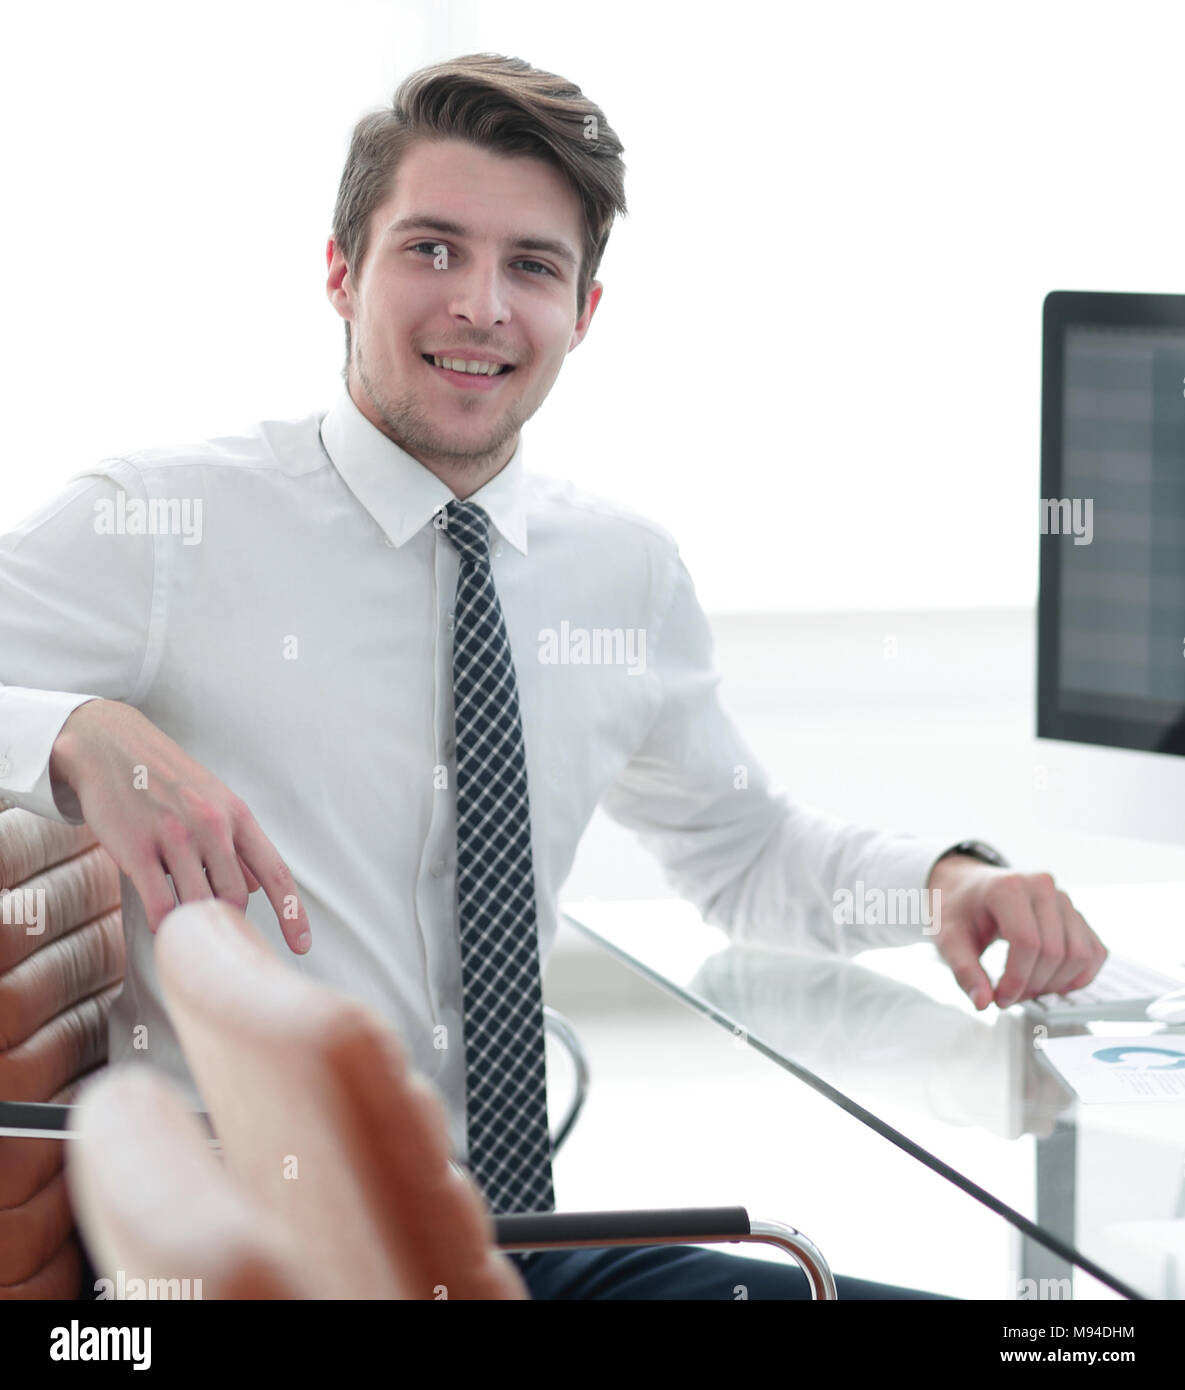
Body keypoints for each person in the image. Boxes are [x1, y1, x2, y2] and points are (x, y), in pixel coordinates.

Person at [0, 53, 1105, 1300]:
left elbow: (742, 852)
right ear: (338, 271)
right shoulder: (162, 526)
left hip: (511, 1247)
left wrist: (945, 885)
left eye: (530, 266)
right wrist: (77, 734)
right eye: (431, 249)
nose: (480, 306)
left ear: (583, 312)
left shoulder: (620, 574)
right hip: (289, 1262)